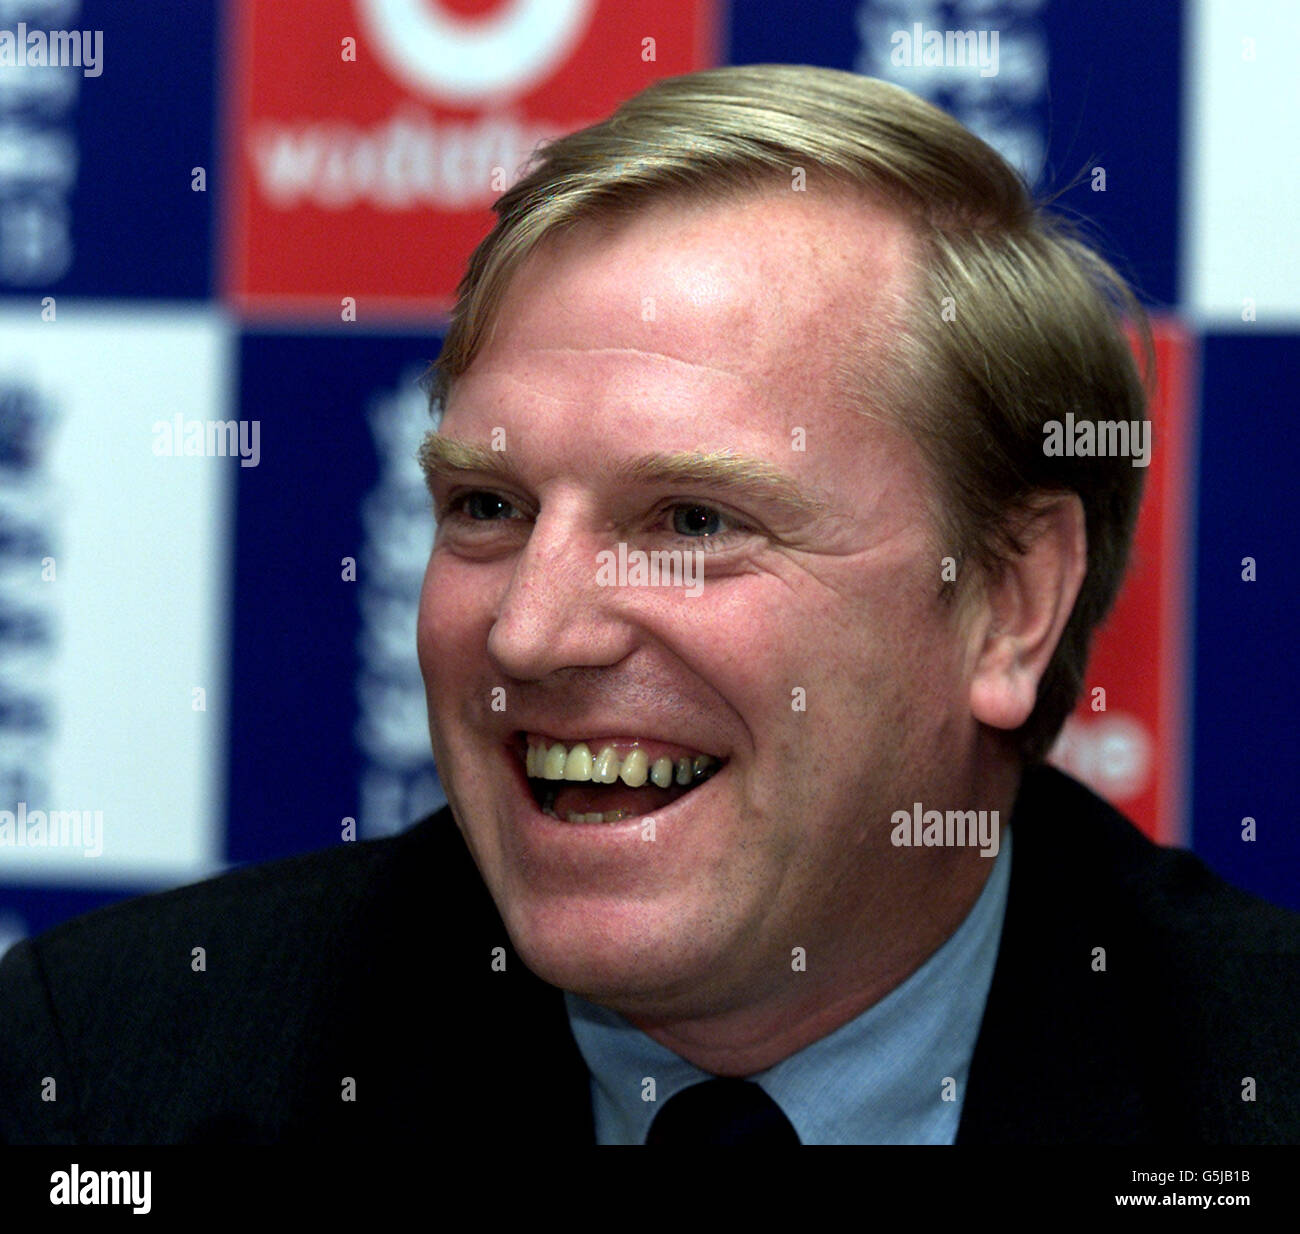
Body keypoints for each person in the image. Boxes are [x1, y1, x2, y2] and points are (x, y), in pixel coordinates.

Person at [1, 64, 1296, 1146]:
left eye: (692, 522)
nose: (530, 632)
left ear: (1008, 604)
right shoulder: (114, 1082)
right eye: (489, 509)